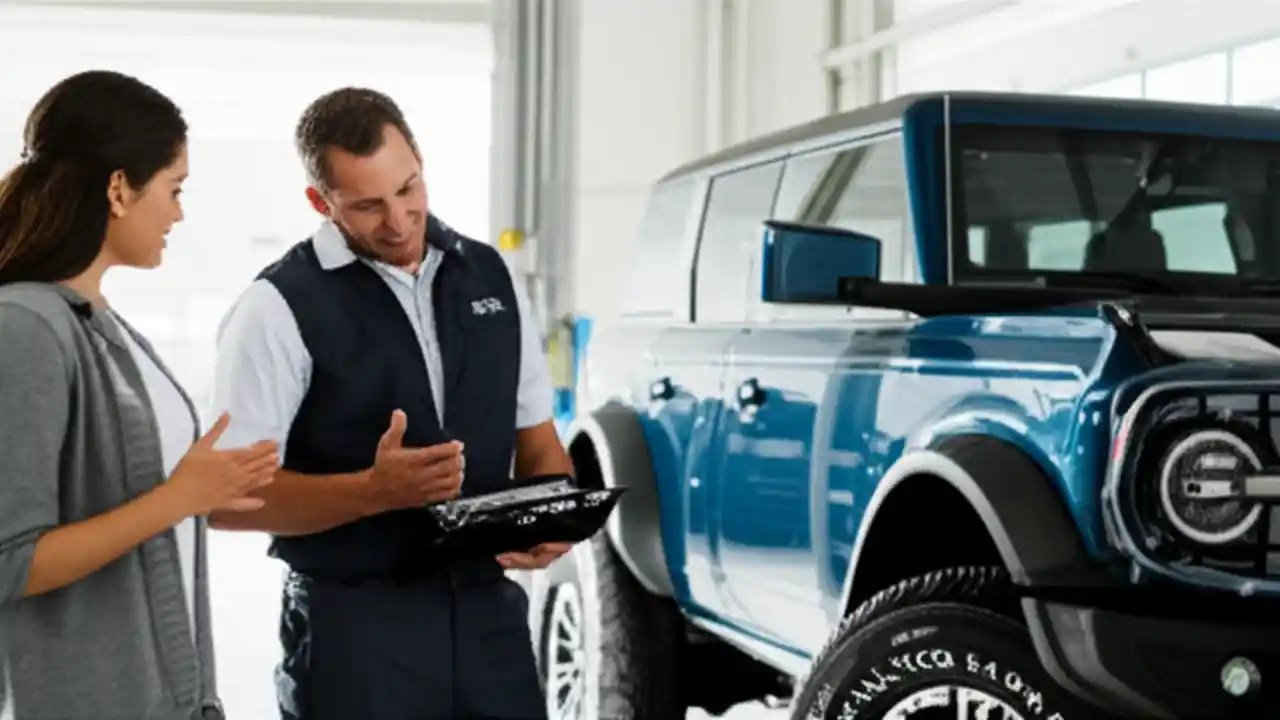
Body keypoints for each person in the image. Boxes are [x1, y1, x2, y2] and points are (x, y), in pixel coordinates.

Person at [206, 87, 576, 720]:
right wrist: (371, 492)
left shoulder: (492, 276)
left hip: (491, 619)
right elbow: (223, 501)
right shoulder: (275, 308)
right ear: (321, 203)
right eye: (369, 206)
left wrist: (555, 515)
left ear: (421, 163)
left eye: (408, 190)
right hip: (356, 628)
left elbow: (538, 441)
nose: (399, 222)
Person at [0, 70, 279, 720]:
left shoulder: (106, 327)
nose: (179, 214)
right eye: (174, 189)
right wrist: (180, 499)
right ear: (120, 188)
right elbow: (11, 560)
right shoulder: (25, 327)